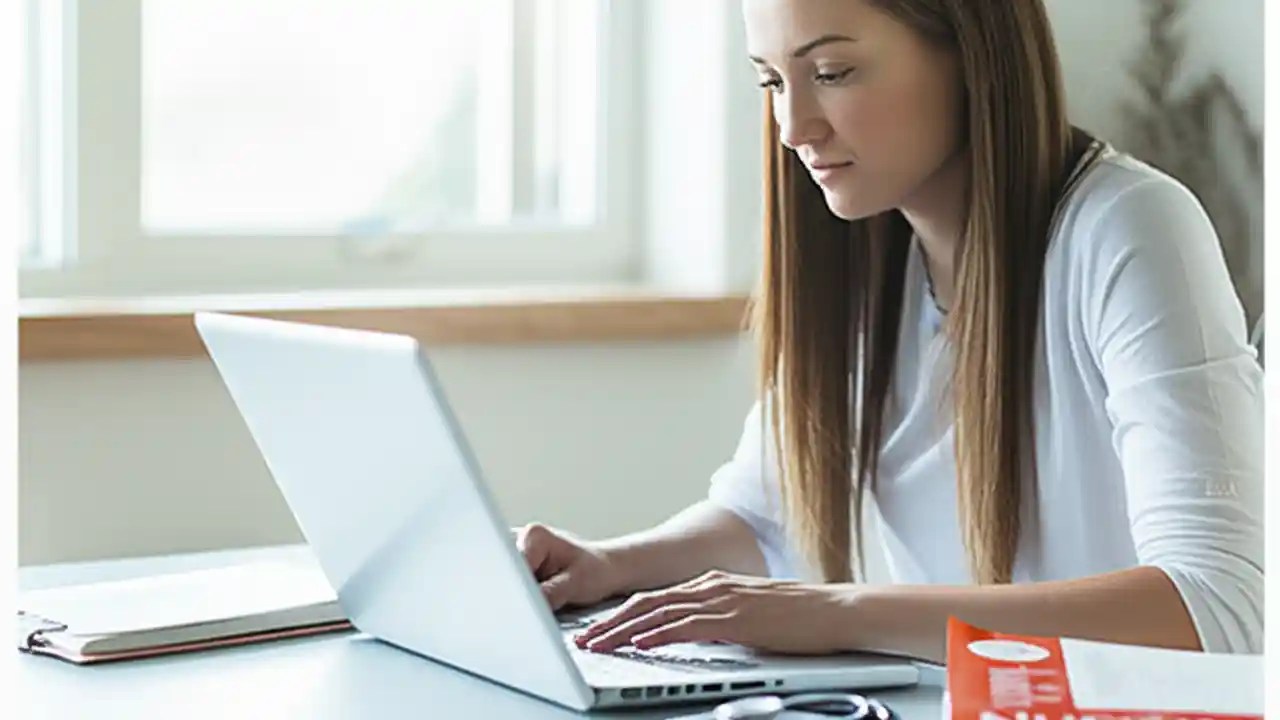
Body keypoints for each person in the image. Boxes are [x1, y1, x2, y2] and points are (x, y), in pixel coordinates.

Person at [516, 0, 1264, 664]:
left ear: (970, 51)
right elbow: (763, 515)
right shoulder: (869, 257)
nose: (793, 127)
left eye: (834, 72)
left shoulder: (1129, 229)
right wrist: (608, 564)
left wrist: (842, 610)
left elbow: (1216, 607)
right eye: (772, 82)